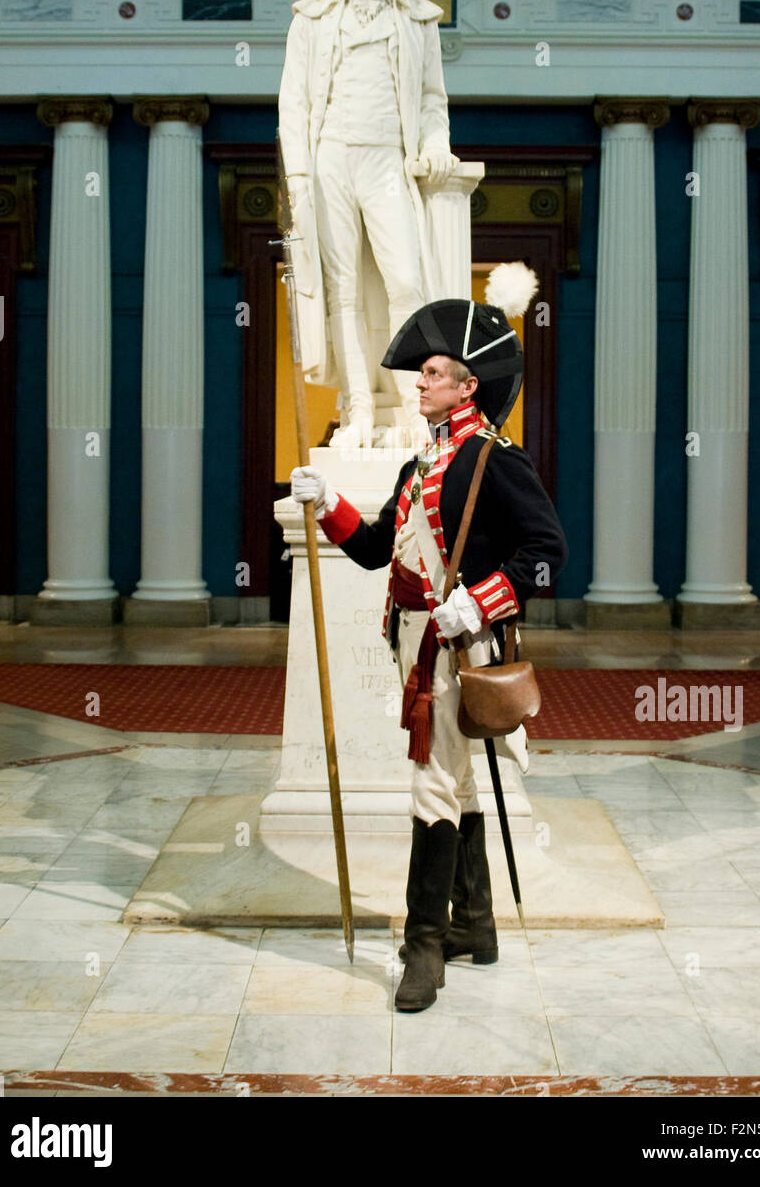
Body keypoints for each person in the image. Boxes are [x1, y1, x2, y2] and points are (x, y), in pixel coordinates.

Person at [291, 264, 568, 1012]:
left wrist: (476, 606)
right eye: (422, 371)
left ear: (468, 386)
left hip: (457, 647)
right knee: (459, 780)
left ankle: (425, 947)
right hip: (416, 642)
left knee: (433, 786)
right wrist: (328, 504)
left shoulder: (492, 458)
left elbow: (547, 552)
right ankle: (473, 926)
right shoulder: (423, 462)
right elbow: (380, 548)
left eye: (434, 372)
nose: (419, 382)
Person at [278, 0, 458, 450]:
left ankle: (413, 406)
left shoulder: (416, 19)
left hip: (387, 160)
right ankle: (358, 409)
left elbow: (431, 99)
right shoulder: (311, 18)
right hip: (330, 156)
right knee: (343, 292)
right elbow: (294, 104)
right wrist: (301, 177)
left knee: (406, 281)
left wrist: (435, 144)